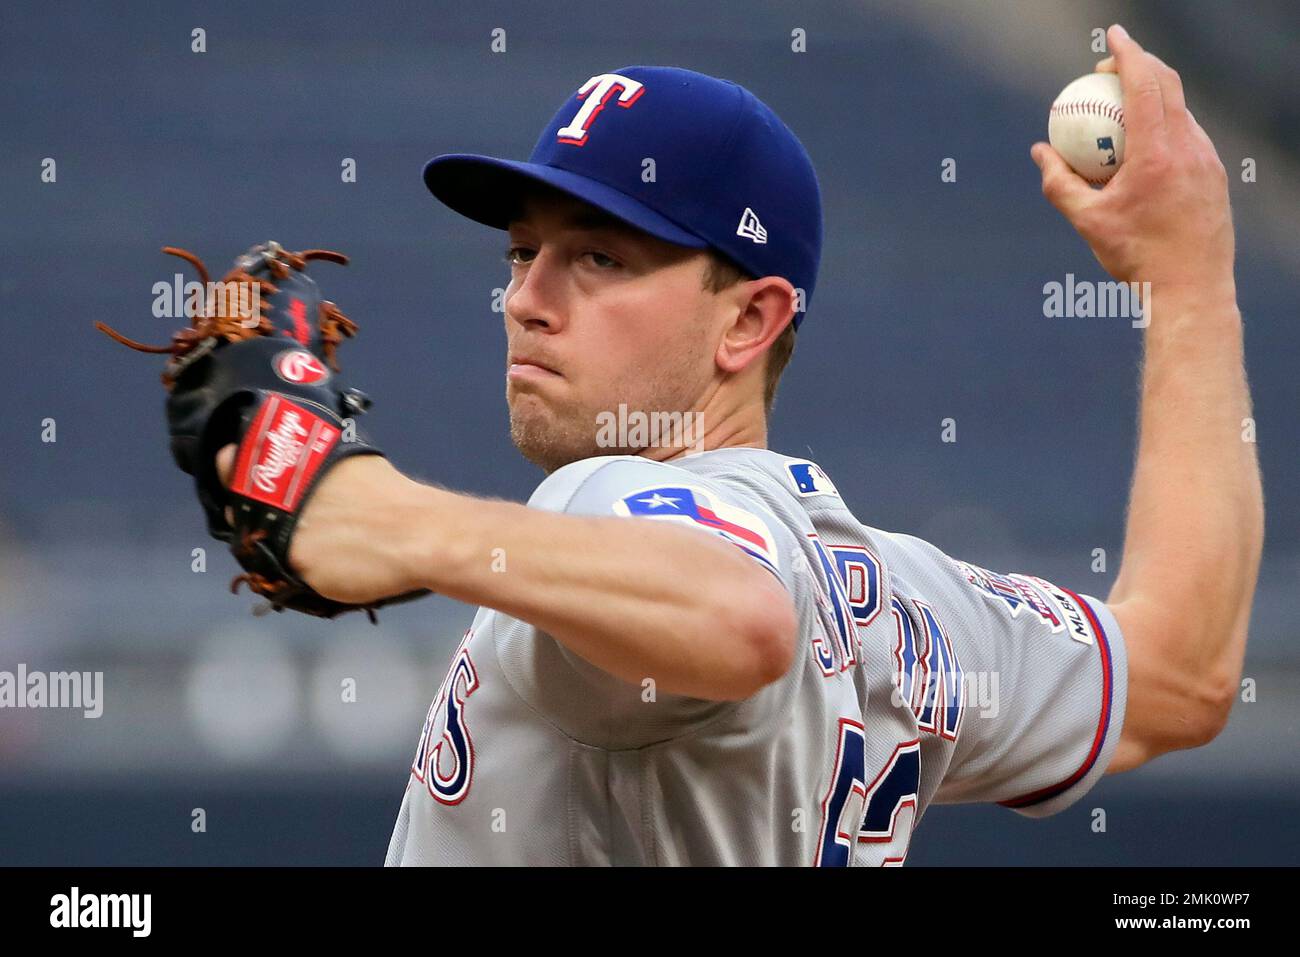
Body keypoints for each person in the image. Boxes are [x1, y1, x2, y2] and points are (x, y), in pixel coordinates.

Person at [223, 29, 1262, 865]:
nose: (526, 300)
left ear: (748, 323)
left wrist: (375, 511)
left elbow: (738, 615)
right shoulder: (907, 607)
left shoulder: (602, 500)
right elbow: (1177, 673)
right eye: (522, 252)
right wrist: (1189, 282)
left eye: (597, 256)